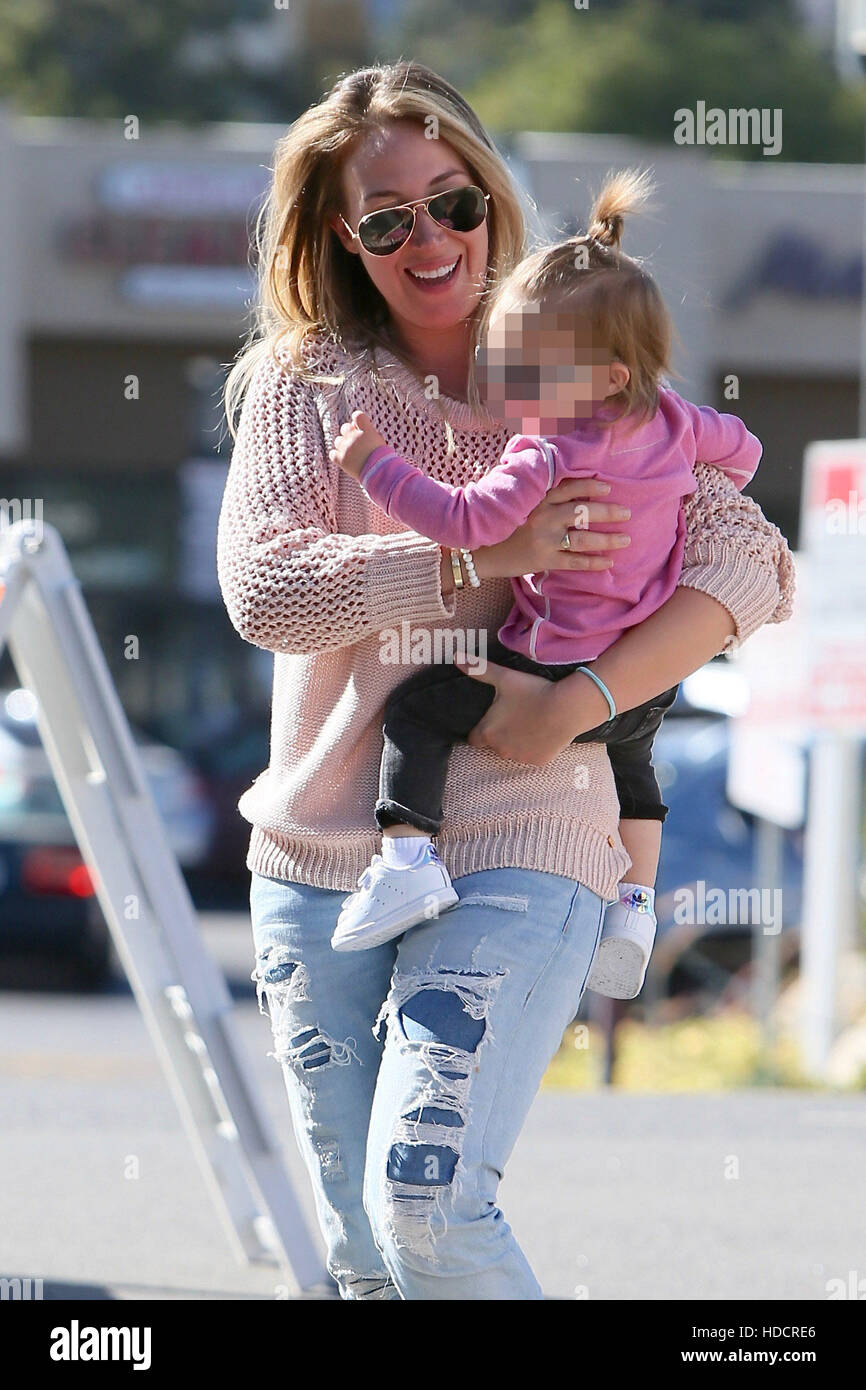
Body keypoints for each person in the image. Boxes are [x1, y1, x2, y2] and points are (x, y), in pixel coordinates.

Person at [216, 60, 794, 1300]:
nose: (431, 238)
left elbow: (746, 555)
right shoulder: (308, 383)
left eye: (454, 200)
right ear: (342, 236)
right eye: (388, 218)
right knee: (367, 1260)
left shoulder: (568, 349)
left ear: (492, 197)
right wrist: (478, 550)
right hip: (324, 855)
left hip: (529, 831)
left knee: (423, 1196)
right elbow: (266, 590)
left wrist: (574, 704)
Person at [327, 168, 762, 1007]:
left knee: (417, 711)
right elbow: (742, 452)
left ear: (605, 376)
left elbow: (461, 522)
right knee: (635, 772)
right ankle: (634, 912)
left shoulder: (549, 452)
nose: (507, 391)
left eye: (529, 372)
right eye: (503, 362)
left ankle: (408, 860)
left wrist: (370, 463)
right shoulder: (674, 423)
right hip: (639, 670)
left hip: (551, 657)